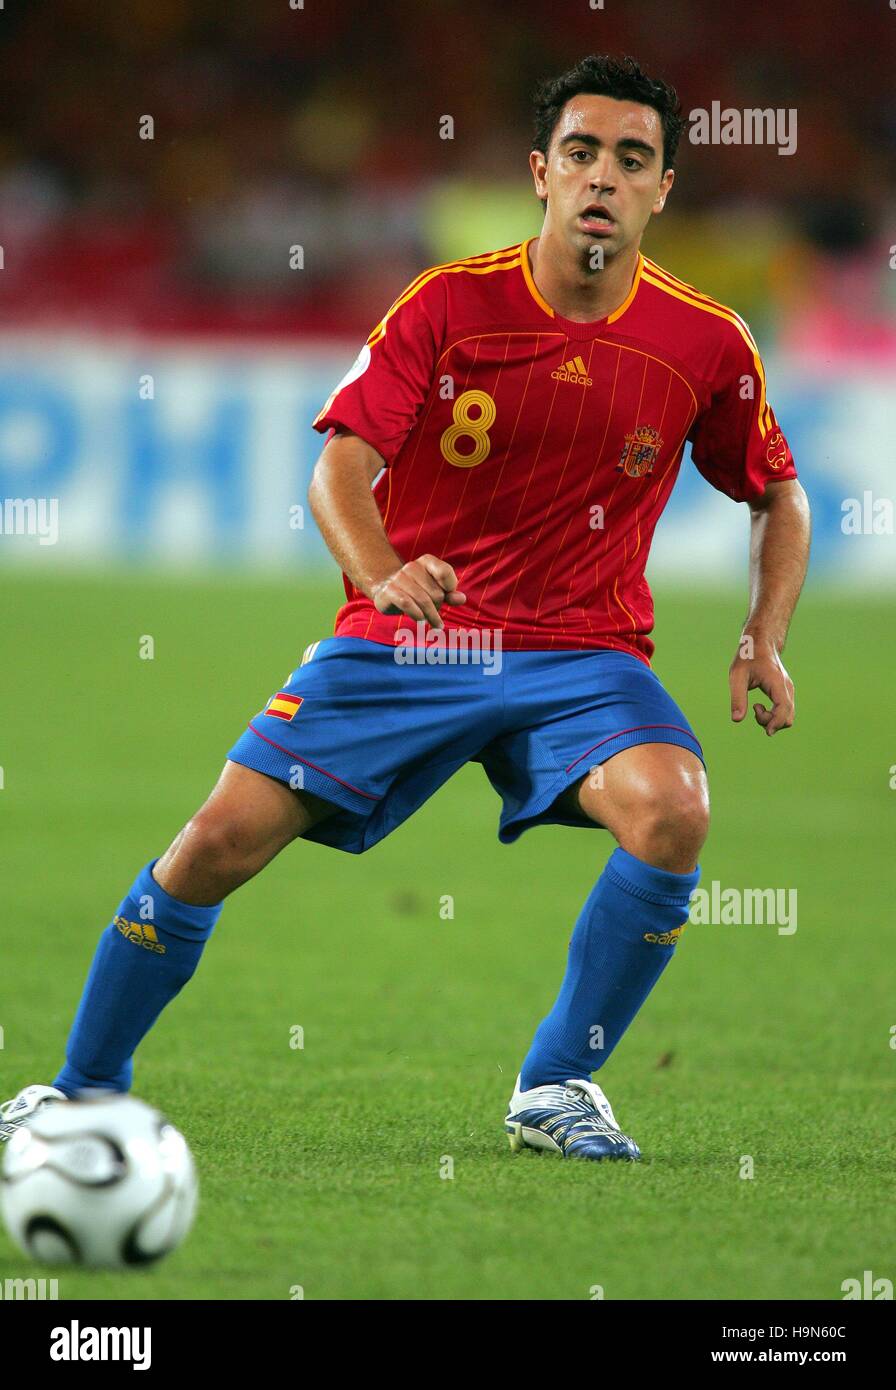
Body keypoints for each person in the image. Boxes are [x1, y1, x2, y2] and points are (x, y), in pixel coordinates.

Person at [2, 55, 810, 1162]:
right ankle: (84, 1088)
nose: (601, 179)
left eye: (632, 160)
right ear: (540, 170)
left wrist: (760, 638)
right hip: (412, 638)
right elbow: (338, 469)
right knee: (217, 843)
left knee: (673, 808)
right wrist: (382, 571)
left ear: (662, 188)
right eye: (580, 153)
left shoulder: (703, 342)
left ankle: (556, 1084)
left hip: (581, 651)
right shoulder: (446, 303)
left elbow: (775, 491)